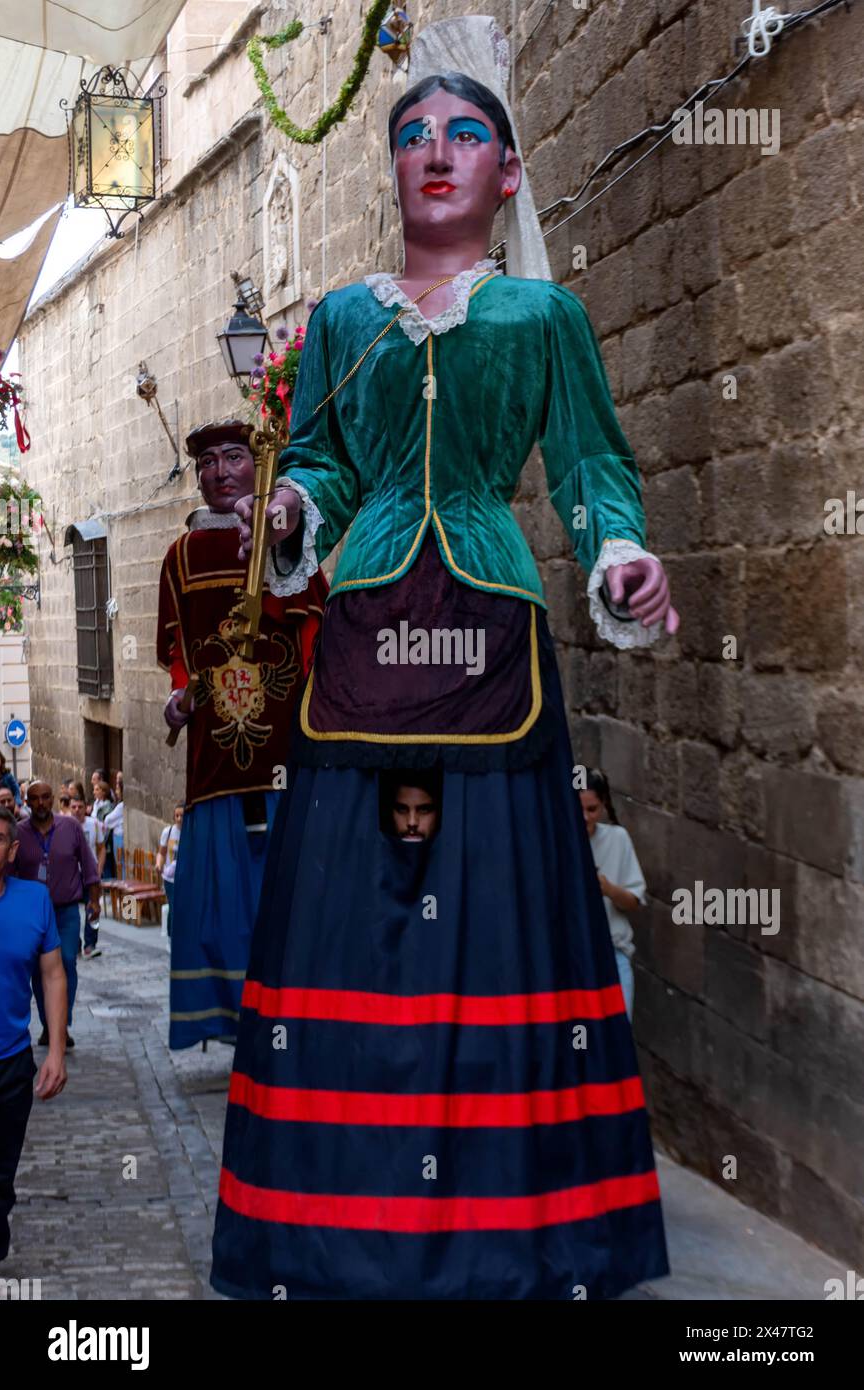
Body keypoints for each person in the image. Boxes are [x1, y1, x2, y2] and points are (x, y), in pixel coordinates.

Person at [211, 17, 677, 1302]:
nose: (433, 152)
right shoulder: (341, 320)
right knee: (344, 913)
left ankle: (513, 1229)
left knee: (498, 913)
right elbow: (314, 461)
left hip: (492, 630)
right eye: (410, 135)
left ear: (507, 172)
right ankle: (326, 1228)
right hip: (362, 626)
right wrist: (298, 510)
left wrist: (618, 552)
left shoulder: (543, 314)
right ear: (392, 170)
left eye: (463, 134)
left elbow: (589, 467)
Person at [156, 418, 329, 1050]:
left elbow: (314, 630)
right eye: (207, 463)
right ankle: (237, 1022)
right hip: (214, 766)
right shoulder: (179, 558)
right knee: (223, 908)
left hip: (288, 755)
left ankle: (298, 1015)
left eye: (235, 457)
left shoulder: (286, 544)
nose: (222, 471)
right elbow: (178, 647)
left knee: (291, 901)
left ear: (257, 469)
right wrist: (179, 698)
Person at [0, 807, 67, 1263]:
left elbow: (54, 975)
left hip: (11, 1064)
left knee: (0, 1174)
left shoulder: (35, 901)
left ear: (12, 850)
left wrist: (56, 1051)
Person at [15, 781, 100, 1050]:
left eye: (45, 797)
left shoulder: (71, 827)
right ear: (27, 802)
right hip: (33, 914)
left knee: (66, 962)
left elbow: (88, 865)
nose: (41, 803)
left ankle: (61, 1024)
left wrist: (94, 900)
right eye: (35, 799)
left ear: (53, 799)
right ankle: (50, 1025)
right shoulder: (20, 833)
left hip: (66, 911)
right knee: (39, 972)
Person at [580, 770, 646, 1021]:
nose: (585, 817)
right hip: (570, 959)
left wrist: (608, 889)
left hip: (612, 954)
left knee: (618, 1040)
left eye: (592, 809)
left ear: (603, 805)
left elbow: (634, 901)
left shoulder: (618, 839)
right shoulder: (555, 842)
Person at [70, 795, 104, 959]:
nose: (77, 810)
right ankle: (74, 945)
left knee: (93, 908)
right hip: (71, 874)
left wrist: (99, 869)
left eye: (80, 807)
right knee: (71, 911)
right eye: (74, 807)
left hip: (90, 874)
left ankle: (90, 945)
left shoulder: (94, 824)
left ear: (86, 808)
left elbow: (101, 848)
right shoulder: (65, 825)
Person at [155, 802, 183, 936]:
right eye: (177, 815)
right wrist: (159, 864)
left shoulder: (192, 832)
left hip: (185, 877)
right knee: (174, 906)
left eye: (182, 816)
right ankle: (171, 937)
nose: (179, 819)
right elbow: (162, 852)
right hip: (170, 878)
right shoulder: (168, 832)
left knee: (182, 908)